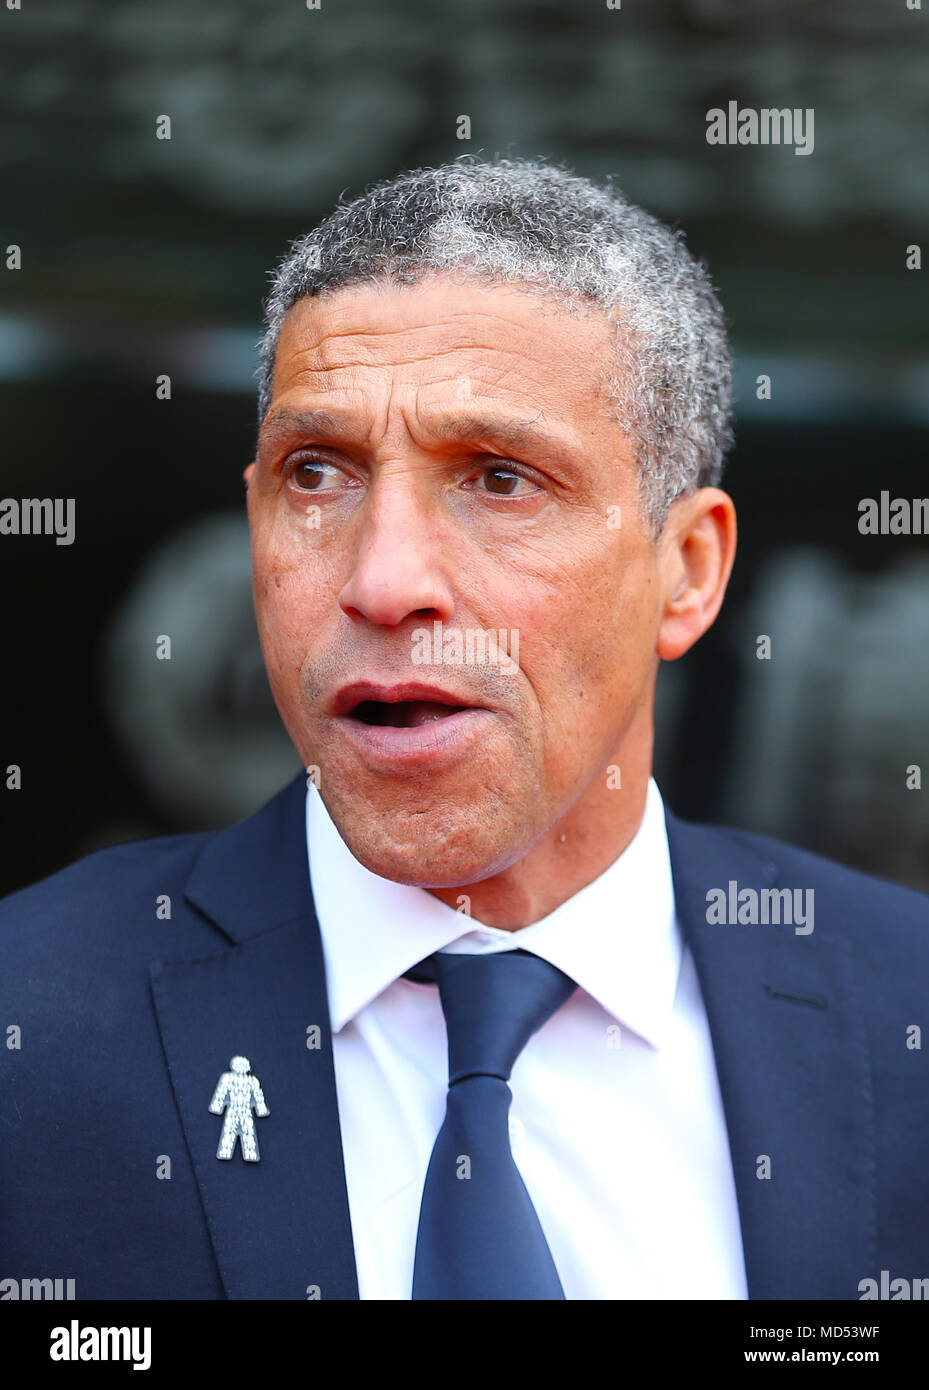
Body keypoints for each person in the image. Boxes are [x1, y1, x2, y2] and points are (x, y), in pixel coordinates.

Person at [2, 159, 926, 1301]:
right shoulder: (28, 1023)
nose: (383, 581)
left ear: (685, 573)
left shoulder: (903, 1014)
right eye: (318, 472)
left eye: (498, 478)